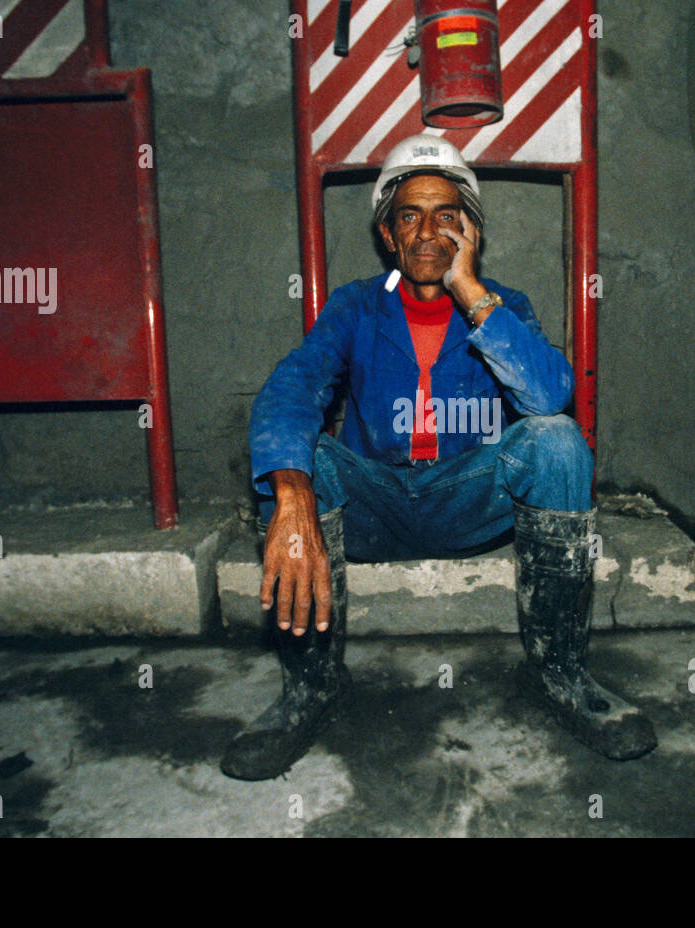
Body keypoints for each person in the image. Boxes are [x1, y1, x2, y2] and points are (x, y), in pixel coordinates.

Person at [221, 134, 656, 781]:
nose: (427, 231)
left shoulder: (501, 304)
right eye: (409, 215)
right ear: (388, 235)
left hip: (464, 498)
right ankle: (309, 685)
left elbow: (549, 393)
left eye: (446, 215)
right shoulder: (355, 307)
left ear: (469, 230)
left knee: (557, 439)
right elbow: (294, 385)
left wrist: (470, 290)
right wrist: (290, 494)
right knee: (297, 457)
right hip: (378, 501)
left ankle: (561, 674)